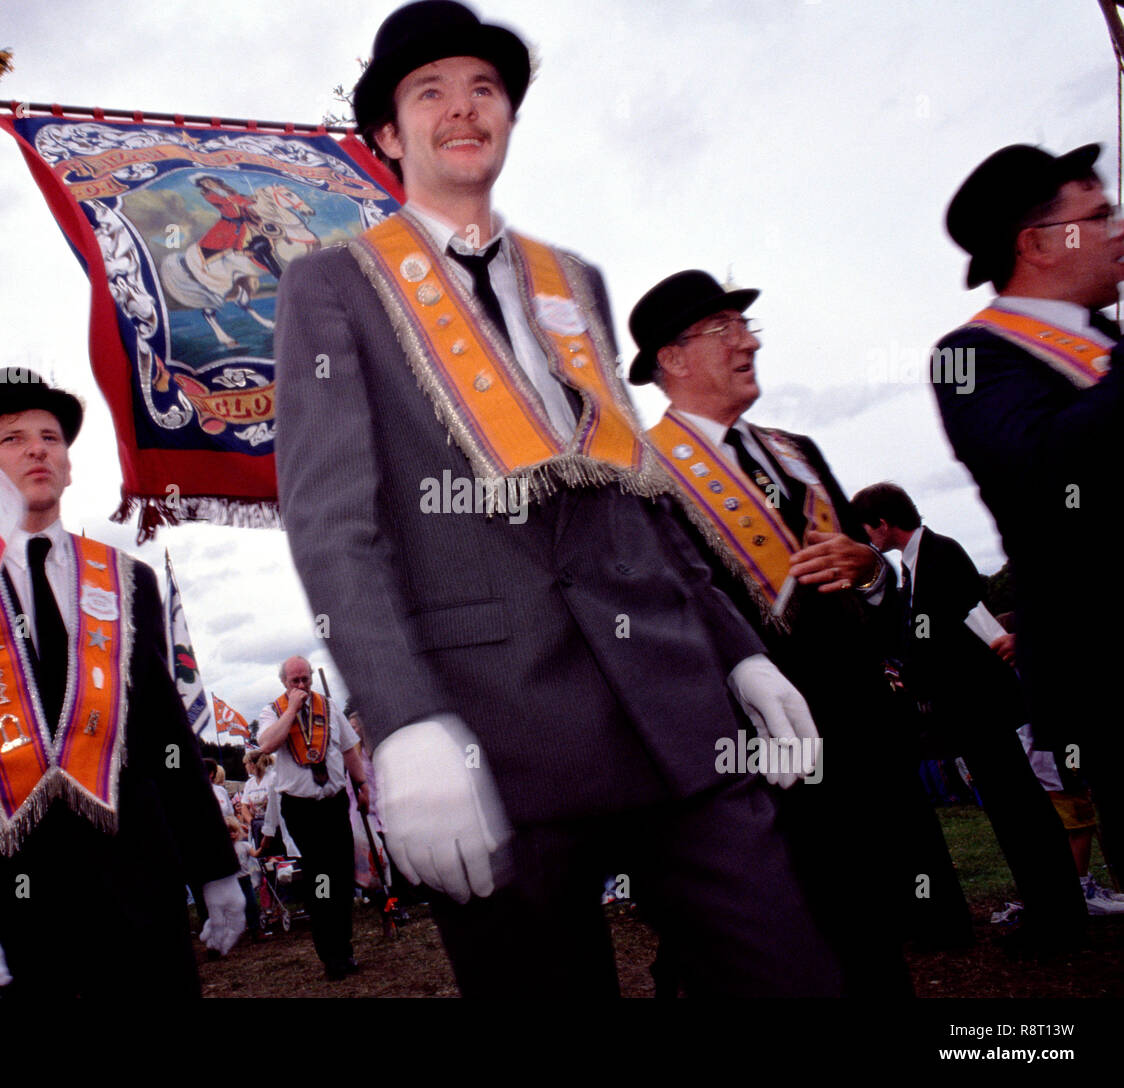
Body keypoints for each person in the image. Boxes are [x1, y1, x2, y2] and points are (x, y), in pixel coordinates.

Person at [274, 0, 838, 996]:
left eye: (484, 87)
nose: (462, 107)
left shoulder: (568, 280)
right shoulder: (333, 286)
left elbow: (638, 492)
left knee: (787, 971)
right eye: (430, 90)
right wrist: (401, 718)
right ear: (386, 134)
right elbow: (332, 519)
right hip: (491, 727)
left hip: (675, 701)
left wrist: (739, 651)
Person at [0, 368, 244, 998]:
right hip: (2, 908)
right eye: (12, 438)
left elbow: (165, 738)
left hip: (138, 900)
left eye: (51, 437)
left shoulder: (128, 582)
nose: (38, 448)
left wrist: (214, 865)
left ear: (68, 466)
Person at [630, 269, 941, 992]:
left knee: (870, 934)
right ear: (672, 358)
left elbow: (871, 597)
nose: (749, 342)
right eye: (725, 330)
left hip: (859, 735)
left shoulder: (796, 449)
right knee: (769, 942)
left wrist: (871, 570)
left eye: (748, 328)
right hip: (754, 751)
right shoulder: (640, 471)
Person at [932, 142, 1124, 885]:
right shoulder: (972, 355)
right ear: (1037, 244)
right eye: (1098, 217)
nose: (1116, 231)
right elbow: (1047, 476)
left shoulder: (1107, 343)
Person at [850, 482, 1087, 952]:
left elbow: (944, 638)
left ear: (882, 522)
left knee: (1022, 815)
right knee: (1012, 814)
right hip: (974, 712)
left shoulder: (938, 555)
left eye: (867, 529)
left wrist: (910, 675)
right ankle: (1049, 914)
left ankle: (1057, 923)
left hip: (983, 710)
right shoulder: (913, 566)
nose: (867, 539)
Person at [255, 655, 368, 980]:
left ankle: (344, 948)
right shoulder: (272, 711)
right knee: (321, 877)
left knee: (342, 874)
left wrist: (361, 785)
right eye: (295, 681)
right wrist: (291, 709)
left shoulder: (329, 707)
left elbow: (349, 749)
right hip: (301, 808)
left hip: (333, 803)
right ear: (284, 683)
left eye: (306, 679)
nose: (302, 686)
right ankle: (330, 954)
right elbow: (266, 745)